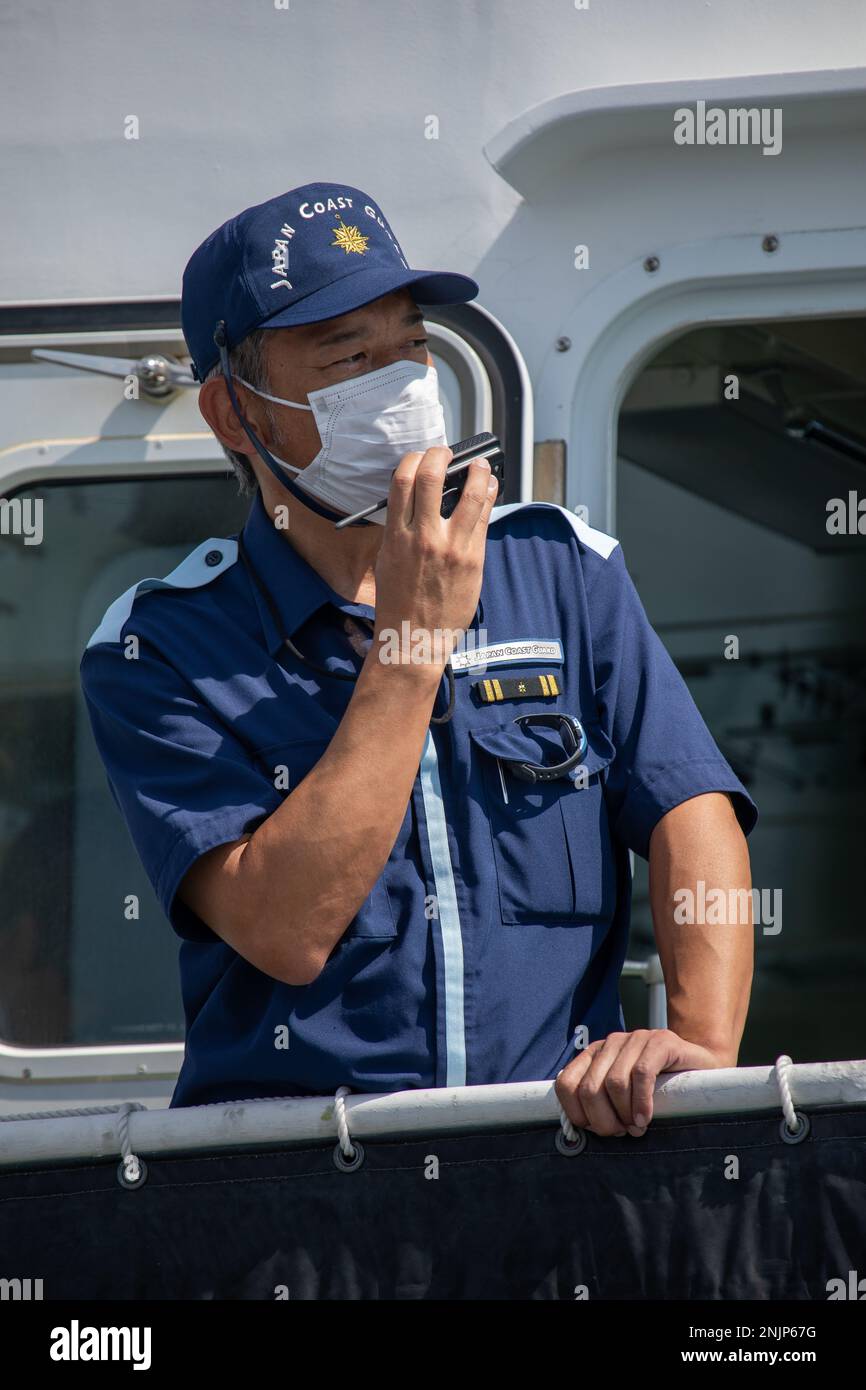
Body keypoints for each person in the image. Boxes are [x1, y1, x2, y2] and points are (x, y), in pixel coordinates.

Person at [80, 181, 757, 1134]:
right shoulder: (158, 650)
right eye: (348, 354)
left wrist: (703, 1060)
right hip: (309, 1209)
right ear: (235, 413)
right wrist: (413, 643)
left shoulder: (563, 568)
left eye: (411, 347)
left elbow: (693, 813)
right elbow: (285, 927)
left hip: (555, 1171)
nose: (398, 383)